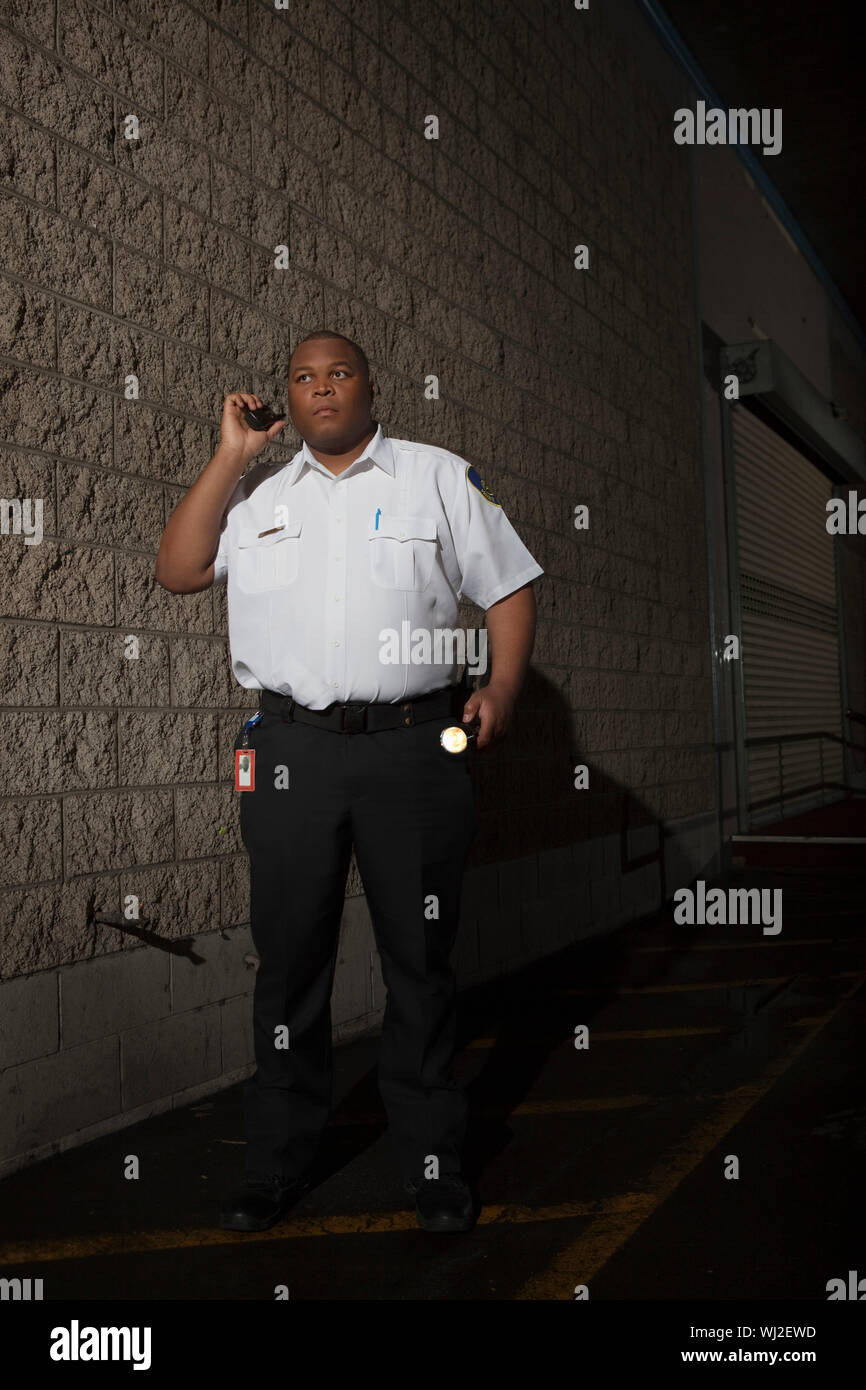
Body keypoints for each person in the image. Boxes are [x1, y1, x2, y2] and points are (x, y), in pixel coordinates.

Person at [155, 331, 543, 1234]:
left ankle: (437, 1170)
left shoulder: (437, 478)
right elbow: (176, 571)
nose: (322, 388)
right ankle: (278, 1164)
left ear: (371, 387)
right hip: (293, 751)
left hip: (415, 747)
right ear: (284, 401)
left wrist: (505, 687)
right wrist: (228, 456)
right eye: (304, 377)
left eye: (339, 373)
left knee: (420, 962)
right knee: (290, 966)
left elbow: (511, 586)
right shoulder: (257, 501)